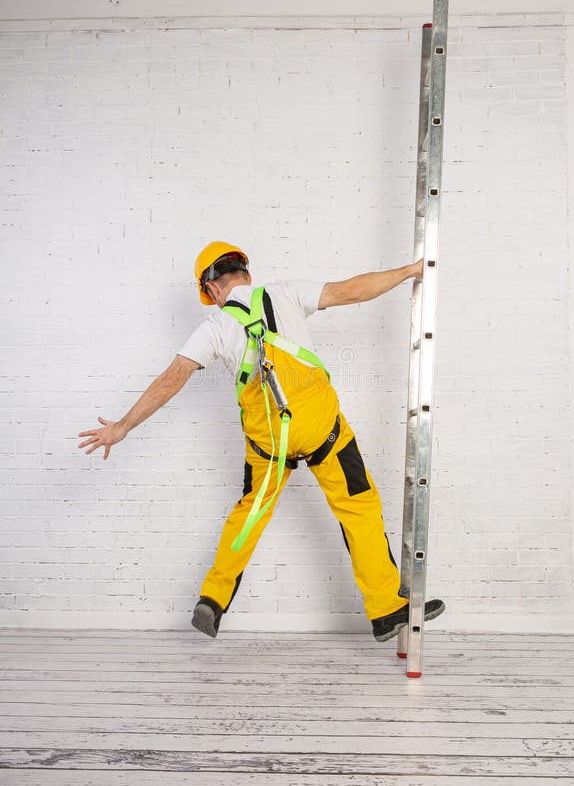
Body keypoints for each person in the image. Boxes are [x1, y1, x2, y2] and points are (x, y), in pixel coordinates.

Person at [78, 242, 445, 641]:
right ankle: (387, 610)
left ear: (212, 290)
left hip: (269, 443)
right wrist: (409, 271)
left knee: (249, 514)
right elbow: (352, 290)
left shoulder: (215, 327)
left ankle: (213, 600)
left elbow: (172, 378)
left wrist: (123, 427)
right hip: (324, 430)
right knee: (359, 508)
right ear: (246, 275)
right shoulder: (285, 292)